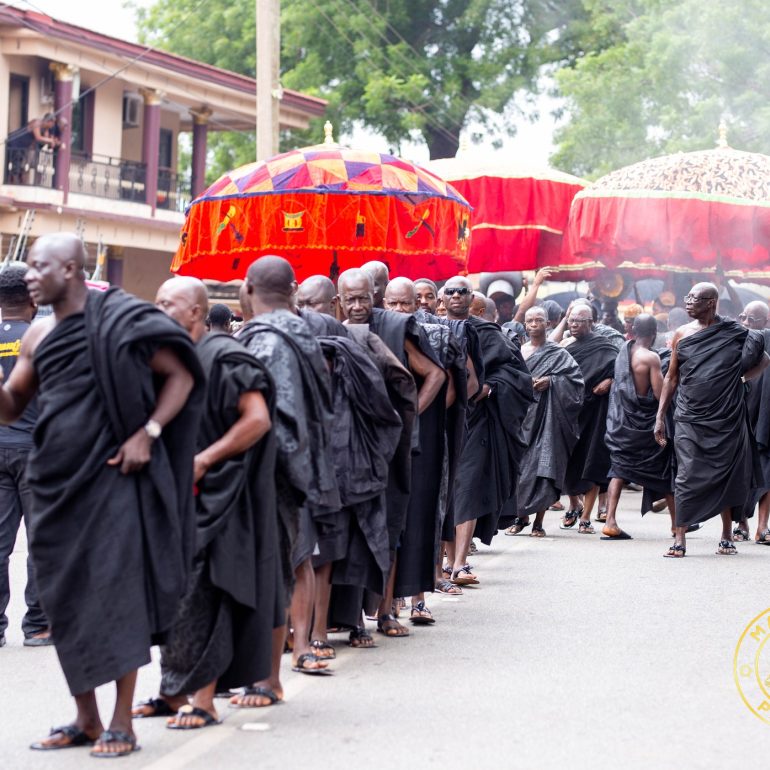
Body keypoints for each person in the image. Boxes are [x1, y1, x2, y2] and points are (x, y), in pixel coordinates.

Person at [0, 233, 202, 757]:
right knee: (64, 602)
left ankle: (120, 722)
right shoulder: (38, 336)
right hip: (54, 483)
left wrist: (149, 433)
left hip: (115, 478)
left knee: (116, 597)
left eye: (38, 267)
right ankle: (85, 718)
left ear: (69, 270)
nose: (28, 277)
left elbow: (181, 375)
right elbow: (12, 405)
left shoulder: (122, 321)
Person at [133, 277, 278, 729]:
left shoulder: (224, 356)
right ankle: (172, 692)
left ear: (196, 311)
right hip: (172, 497)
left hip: (221, 494)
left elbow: (257, 420)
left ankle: (204, 700)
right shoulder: (169, 361)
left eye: (168, 303)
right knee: (173, 595)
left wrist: (204, 460)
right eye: (155, 302)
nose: (158, 310)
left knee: (207, 597)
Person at [235, 256, 340, 701]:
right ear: (294, 289)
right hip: (301, 468)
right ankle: (269, 671)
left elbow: (275, 418)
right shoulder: (304, 331)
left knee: (271, 571)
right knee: (288, 566)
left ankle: (268, 678)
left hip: (271, 471)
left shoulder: (268, 341)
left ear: (248, 287)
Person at [338, 268, 443, 636]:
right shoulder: (328, 328)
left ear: (374, 297)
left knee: (388, 527)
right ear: (338, 300)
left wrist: (407, 418)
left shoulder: (394, 328)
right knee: (345, 531)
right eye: (349, 299)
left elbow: (434, 374)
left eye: (363, 297)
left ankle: (385, 612)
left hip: (388, 447)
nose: (357, 305)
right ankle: (346, 617)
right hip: (342, 448)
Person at [654, 283, 769, 557]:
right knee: (685, 474)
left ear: (711, 302)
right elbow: (671, 377)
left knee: (726, 474)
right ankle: (679, 537)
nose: (689, 302)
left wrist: (739, 378)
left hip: (726, 416)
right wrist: (659, 416)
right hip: (690, 417)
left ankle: (727, 535)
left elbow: (763, 358)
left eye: (695, 298)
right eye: (688, 297)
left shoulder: (733, 332)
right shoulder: (683, 334)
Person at [442, 276, 532, 585]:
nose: (456, 296)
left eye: (462, 292)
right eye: (450, 292)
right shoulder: (430, 329)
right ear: (442, 299)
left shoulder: (488, 334)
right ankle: (445, 559)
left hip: (478, 420)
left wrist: (491, 388)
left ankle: (460, 563)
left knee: (466, 487)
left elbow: (518, 376)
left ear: (473, 303)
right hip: (440, 420)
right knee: (446, 489)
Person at [0, 263, 49, 649]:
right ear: (33, 299)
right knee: (41, 542)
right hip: (36, 451)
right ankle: (37, 625)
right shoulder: (43, 338)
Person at [504, 307, 583, 537]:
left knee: (543, 466)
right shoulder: (519, 351)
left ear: (548, 324)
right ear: (525, 326)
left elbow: (576, 382)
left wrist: (552, 381)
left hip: (547, 417)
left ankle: (538, 521)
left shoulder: (558, 353)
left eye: (540, 320)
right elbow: (509, 379)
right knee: (519, 469)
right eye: (530, 321)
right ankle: (521, 517)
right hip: (521, 417)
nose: (535, 324)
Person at [602, 314, 674, 540]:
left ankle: (610, 520)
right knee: (665, 469)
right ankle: (677, 524)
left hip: (621, 423)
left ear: (633, 330)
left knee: (618, 470)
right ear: (654, 333)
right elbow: (658, 392)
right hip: (643, 425)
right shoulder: (651, 357)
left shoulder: (624, 351)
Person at [560, 303, 618, 532]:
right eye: (571, 320)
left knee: (591, 461)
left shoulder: (605, 347)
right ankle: (574, 503)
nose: (574, 325)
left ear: (591, 323)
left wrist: (610, 380)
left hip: (595, 413)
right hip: (571, 411)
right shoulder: (566, 347)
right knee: (568, 459)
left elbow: (621, 371)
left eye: (579, 321)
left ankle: (586, 517)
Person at [732, 301, 770, 543]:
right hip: (739, 414)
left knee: (768, 473)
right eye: (743, 317)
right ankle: (741, 523)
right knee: (739, 471)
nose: (746, 323)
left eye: (752, 320)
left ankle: (762, 526)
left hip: (766, 416)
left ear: (765, 323)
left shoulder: (764, 338)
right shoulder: (734, 340)